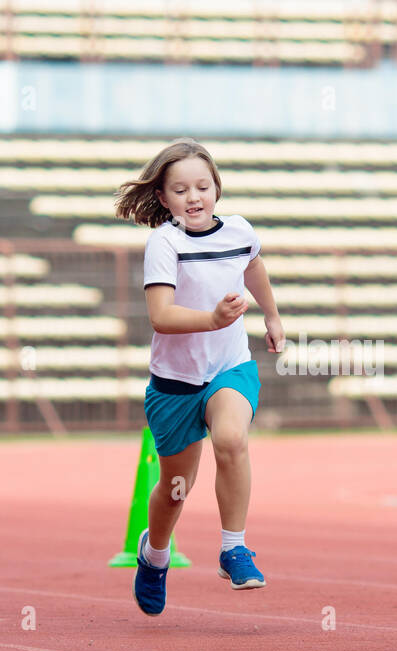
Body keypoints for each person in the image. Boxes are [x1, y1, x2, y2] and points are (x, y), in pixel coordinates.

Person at [113, 138, 285, 615]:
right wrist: (211, 318)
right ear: (164, 198)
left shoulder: (239, 231)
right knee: (175, 489)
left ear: (217, 190)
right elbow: (161, 315)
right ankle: (155, 553)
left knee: (232, 439)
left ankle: (234, 548)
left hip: (230, 366)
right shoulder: (164, 243)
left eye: (203, 186)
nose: (194, 197)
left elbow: (253, 266)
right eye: (181, 189)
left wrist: (271, 316)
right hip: (175, 382)